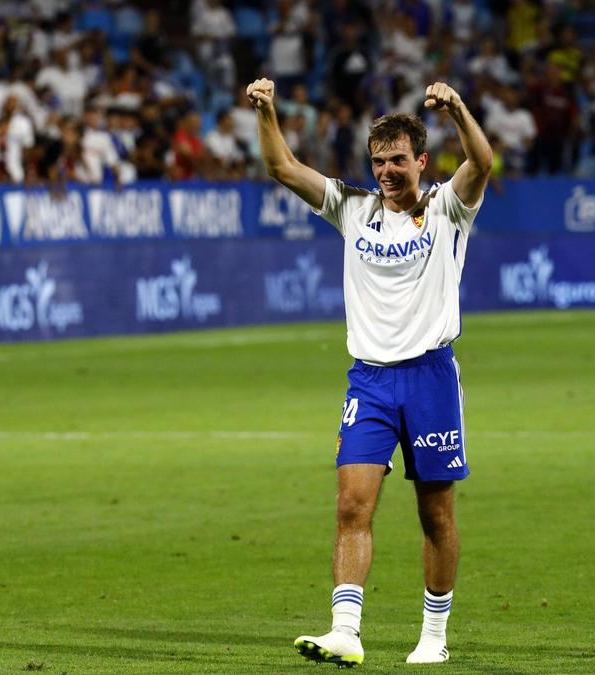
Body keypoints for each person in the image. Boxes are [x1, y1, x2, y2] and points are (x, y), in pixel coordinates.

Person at [247, 75, 490, 667]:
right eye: (378, 160)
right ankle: (345, 630)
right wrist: (267, 112)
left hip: (430, 377)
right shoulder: (351, 207)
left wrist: (457, 106)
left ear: (421, 160)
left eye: (398, 160)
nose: (386, 170)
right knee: (352, 505)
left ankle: (433, 638)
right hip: (370, 382)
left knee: (435, 512)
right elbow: (283, 167)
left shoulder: (447, 207)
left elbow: (482, 161)